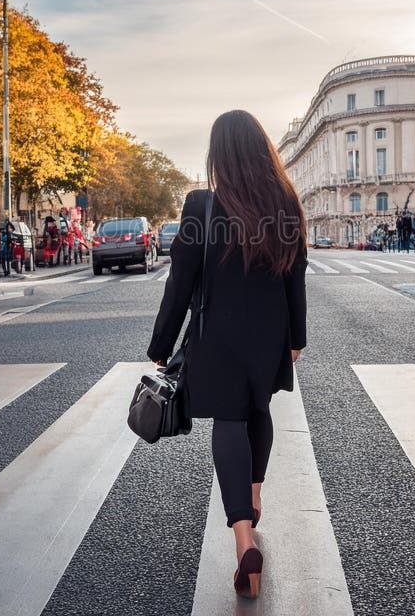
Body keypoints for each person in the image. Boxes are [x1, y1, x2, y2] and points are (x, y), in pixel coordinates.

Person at [147, 110, 307, 601]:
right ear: (262, 150)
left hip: (217, 333)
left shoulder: (201, 206)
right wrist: (296, 338)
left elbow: (180, 282)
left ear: (219, 155)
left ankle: (243, 541)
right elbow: (295, 275)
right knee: (258, 409)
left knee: (229, 422)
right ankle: (253, 499)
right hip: (269, 332)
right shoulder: (284, 203)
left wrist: (161, 345)